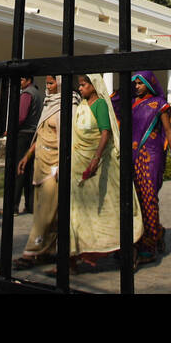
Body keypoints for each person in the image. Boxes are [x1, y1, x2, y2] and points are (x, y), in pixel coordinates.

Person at [69, 73, 139, 271]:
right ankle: (72, 257)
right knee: (77, 213)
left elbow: (105, 133)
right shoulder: (81, 107)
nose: (80, 88)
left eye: (83, 85)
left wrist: (95, 159)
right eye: (79, 85)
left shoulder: (99, 105)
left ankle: (125, 248)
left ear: (94, 85)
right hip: (78, 166)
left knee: (106, 212)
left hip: (97, 167)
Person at [114, 70, 171, 264]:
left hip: (151, 154)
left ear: (149, 84)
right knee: (135, 199)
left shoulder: (159, 104)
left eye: (139, 83)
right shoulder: (131, 104)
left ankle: (150, 245)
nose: (136, 86)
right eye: (134, 83)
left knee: (149, 197)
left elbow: (168, 133)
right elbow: (114, 103)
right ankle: (152, 233)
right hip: (132, 155)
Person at [13, 75, 76, 268]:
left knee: (44, 212)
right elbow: (41, 133)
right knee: (48, 211)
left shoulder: (70, 105)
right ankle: (48, 250)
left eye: (51, 83)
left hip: (56, 165)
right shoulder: (50, 103)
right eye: (47, 83)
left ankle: (30, 252)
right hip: (41, 162)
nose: (48, 87)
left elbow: (71, 138)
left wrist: (64, 164)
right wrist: (27, 156)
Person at [12, 76, 44, 215]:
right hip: (33, 134)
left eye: (22, 79)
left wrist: (12, 127)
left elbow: (21, 116)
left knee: (19, 168)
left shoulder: (27, 94)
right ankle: (30, 204)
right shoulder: (38, 94)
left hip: (23, 134)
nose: (20, 82)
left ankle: (13, 205)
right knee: (30, 169)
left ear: (29, 80)